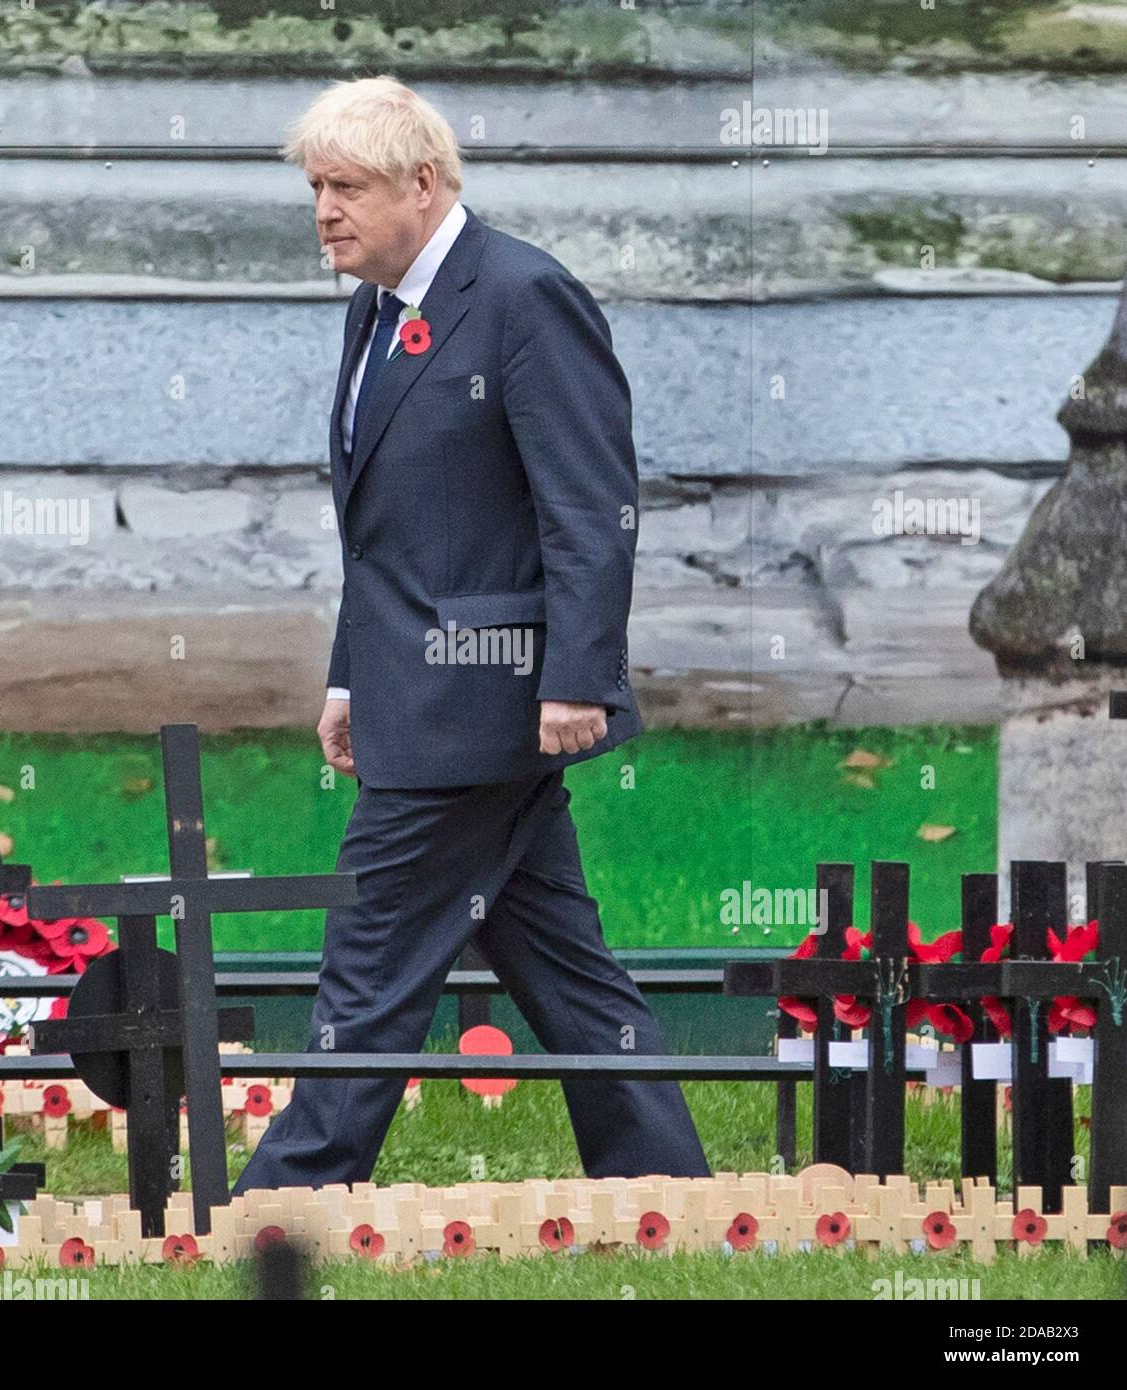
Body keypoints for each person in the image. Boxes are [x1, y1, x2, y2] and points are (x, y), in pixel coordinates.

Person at [232, 75, 710, 1193]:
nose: (324, 210)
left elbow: (589, 505)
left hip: (489, 702)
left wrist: (579, 676)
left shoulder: (525, 296)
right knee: (558, 957)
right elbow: (384, 534)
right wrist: (351, 679)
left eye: (346, 186)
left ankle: (283, 1200)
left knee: (372, 951)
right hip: (416, 694)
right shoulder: (377, 306)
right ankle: (664, 1182)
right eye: (314, 187)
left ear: (424, 183)